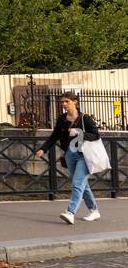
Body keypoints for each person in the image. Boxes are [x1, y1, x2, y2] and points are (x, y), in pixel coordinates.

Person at [36, 91, 101, 224]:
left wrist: (79, 132)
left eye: (67, 101)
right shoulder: (62, 119)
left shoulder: (85, 119)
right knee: (81, 183)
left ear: (75, 102)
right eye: (62, 102)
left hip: (84, 155)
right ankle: (94, 210)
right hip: (70, 155)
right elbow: (54, 136)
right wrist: (44, 149)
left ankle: (70, 212)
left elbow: (96, 135)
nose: (64, 104)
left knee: (77, 183)